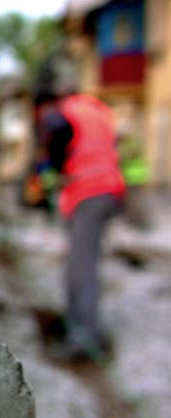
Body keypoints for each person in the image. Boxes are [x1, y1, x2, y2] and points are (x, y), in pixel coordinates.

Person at [33, 58, 124, 361]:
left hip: (88, 191)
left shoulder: (64, 114)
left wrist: (55, 168)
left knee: (82, 267)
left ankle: (85, 337)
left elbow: (56, 132)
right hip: (106, 189)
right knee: (80, 262)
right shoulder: (95, 108)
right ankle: (77, 325)